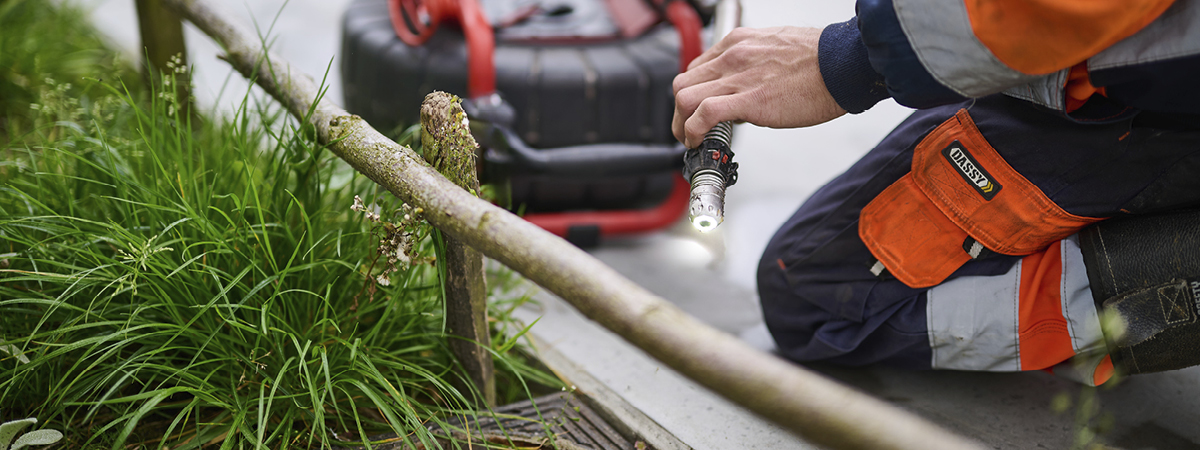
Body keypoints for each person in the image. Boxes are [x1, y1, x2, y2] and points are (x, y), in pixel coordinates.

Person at [671, 0, 1200, 385]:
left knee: (814, 299)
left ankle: (1175, 282)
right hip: (1146, 73)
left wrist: (850, 60)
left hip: (1147, 101)